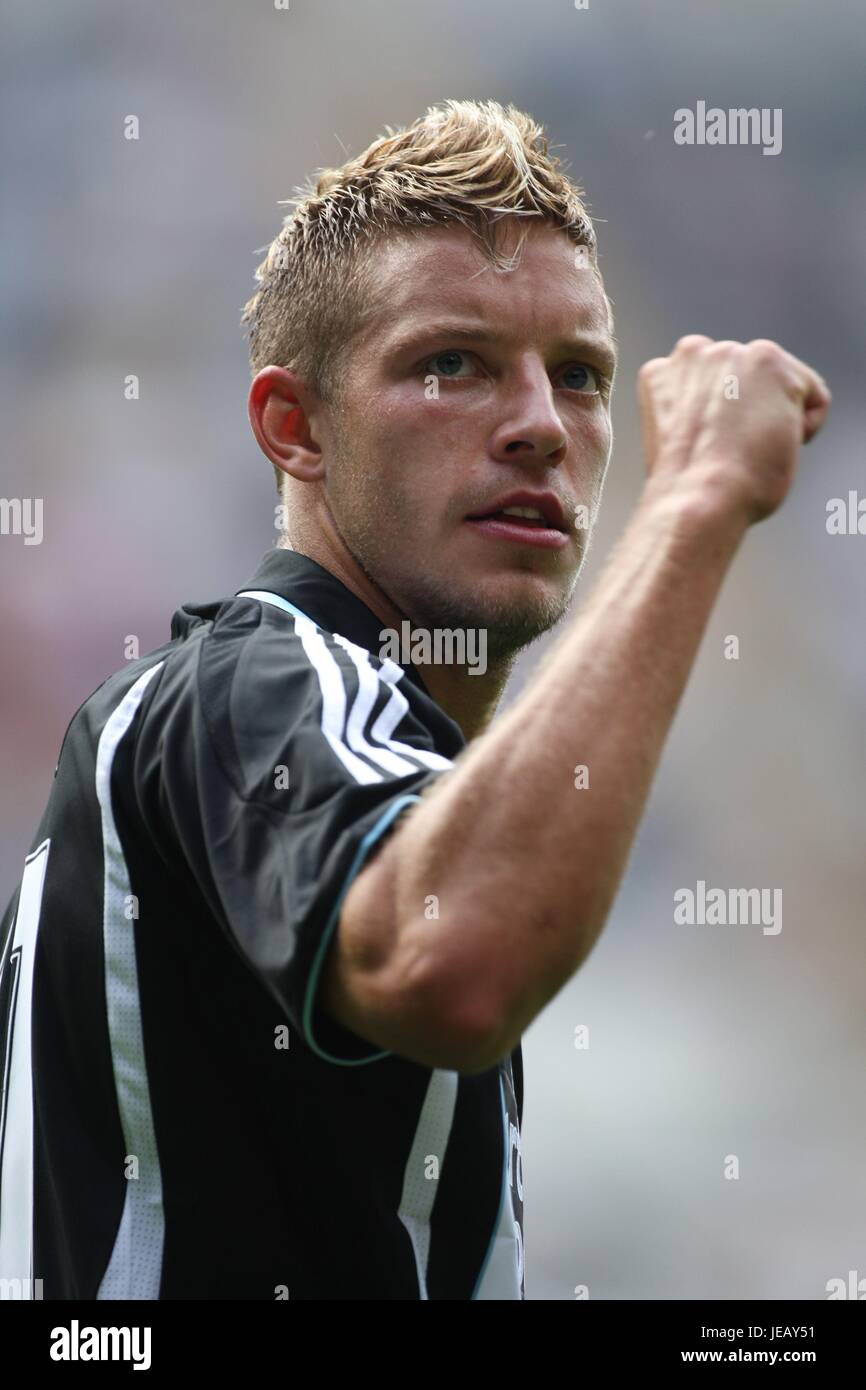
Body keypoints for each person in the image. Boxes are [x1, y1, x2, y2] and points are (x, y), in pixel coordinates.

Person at [0, 99, 830, 1301]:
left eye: (581, 377)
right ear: (295, 429)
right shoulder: (243, 681)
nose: (542, 427)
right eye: (452, 363)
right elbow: (457, 962)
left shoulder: (395, 768)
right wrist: (693, 505)